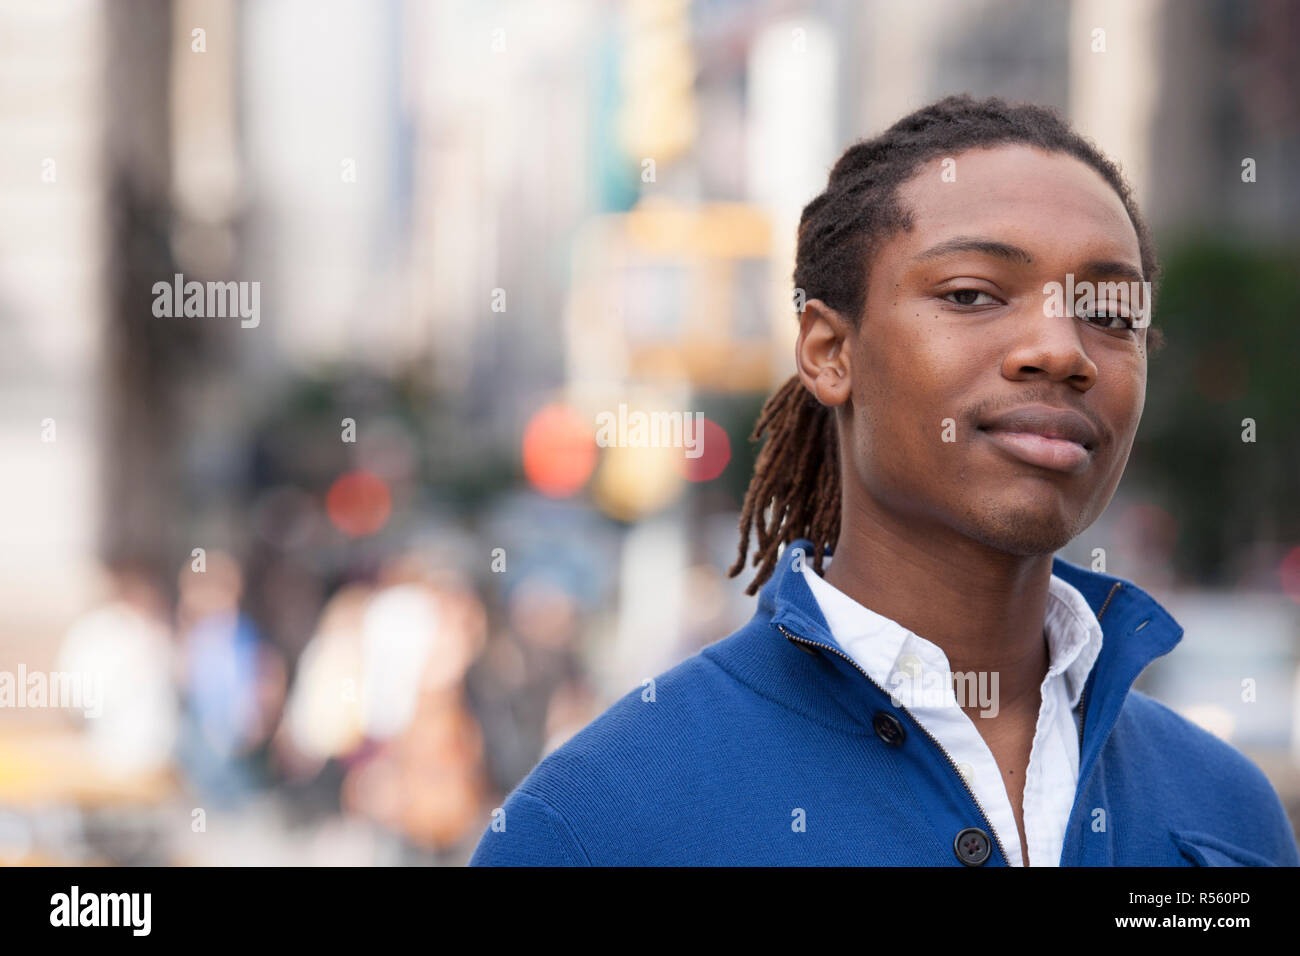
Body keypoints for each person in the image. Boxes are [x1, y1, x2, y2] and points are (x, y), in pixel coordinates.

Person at [469, 95, 1300, 866]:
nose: (1062, 350)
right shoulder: (595, 823)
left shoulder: (1226, 818)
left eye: (1111, 314)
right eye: (973, 293)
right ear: (830, 352)